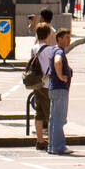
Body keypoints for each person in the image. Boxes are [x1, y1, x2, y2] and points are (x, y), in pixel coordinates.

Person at [46, 29, 74, 155]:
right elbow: (57, 61)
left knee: (53, 119)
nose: (69, 40)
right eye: (67, 37)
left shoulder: (54, 50)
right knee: (59, 119)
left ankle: (52, 145)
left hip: (54, 88)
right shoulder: (59, 51)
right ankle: (59, 146)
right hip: (60, 89)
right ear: (60, 39)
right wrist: (61, 75)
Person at [30, 23, 55, 151]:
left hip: (37, 83)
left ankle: (39, 140)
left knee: (39, 112)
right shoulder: (51, 50)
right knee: (51, 113)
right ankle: (52, 140)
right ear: (48, 35)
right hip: (48, 84)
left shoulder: (34, 48)